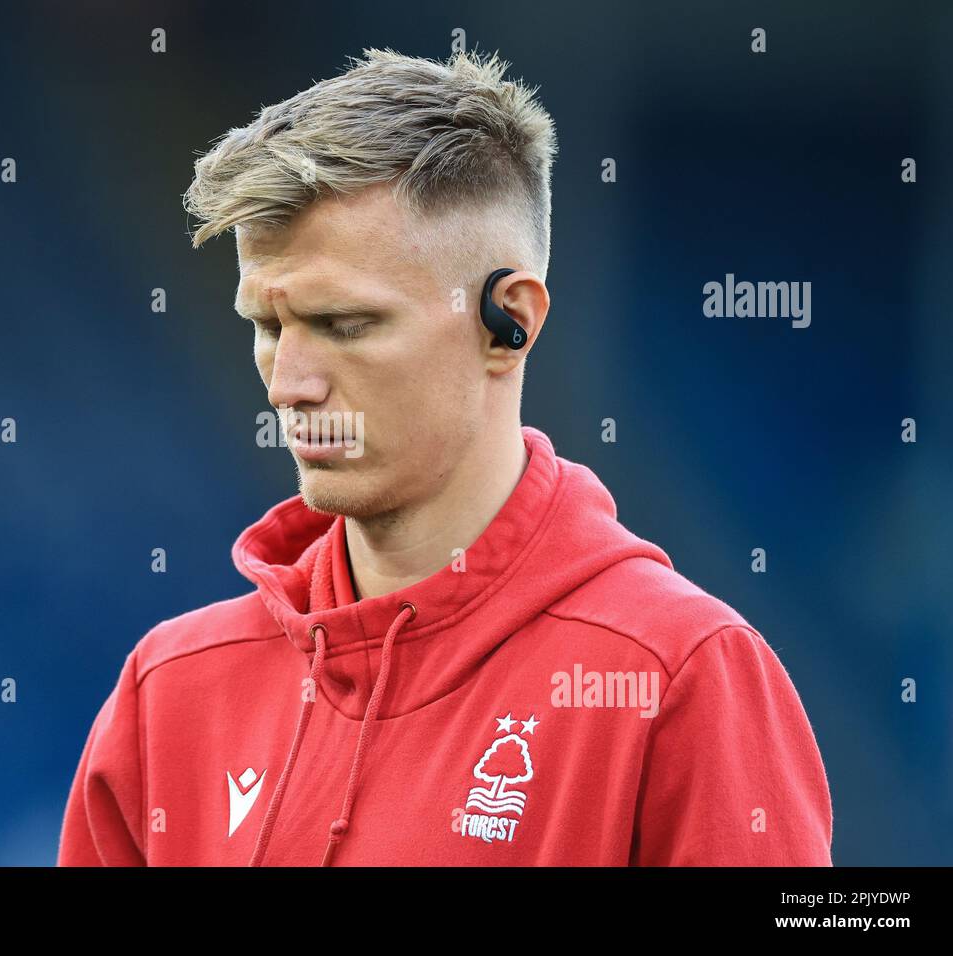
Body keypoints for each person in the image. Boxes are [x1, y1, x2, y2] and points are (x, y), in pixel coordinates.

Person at [57, 48, 833, 866]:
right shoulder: (170, 690)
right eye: (268, 327)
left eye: (345, 324)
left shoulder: (678, 674)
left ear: (510, 322)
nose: (290, 383)